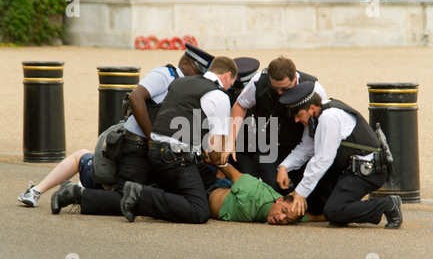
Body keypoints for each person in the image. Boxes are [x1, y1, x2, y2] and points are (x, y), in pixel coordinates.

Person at [22, 44, 215, 212]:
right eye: (199, 72)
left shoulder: (187, 87)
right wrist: (151, 137)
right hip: (137, 145)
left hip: (158, 151)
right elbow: (135, 97)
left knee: (152, 193)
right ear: (185, 64)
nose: (200, 78)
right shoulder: (166, 75)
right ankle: (74, 193)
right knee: (127, 198)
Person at [120, 56, 238, 224]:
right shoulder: (220, 97)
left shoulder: (180, 82)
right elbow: (215, 151)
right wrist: (227, 165)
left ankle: (152, 192)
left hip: (154, 151)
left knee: (210, 182)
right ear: (227, 76)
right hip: (177, 158)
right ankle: (142, 195)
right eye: (231, 83)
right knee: (199, 212)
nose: (229, 88)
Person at [276, 81, 403, 229]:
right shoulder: (318, 115)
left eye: (299, 115)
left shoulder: (328, 118)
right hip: (349, 169)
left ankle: (387, 205)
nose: (296, 120)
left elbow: (323, 159)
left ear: (311, 108)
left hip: (367, 172)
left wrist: (300, 193)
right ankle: (343, 207)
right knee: (307, 182)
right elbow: (306, 149)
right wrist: (284, 167)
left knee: (334, 211)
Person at [228, 56, 327, 194]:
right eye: (275, 89)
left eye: (285, 89)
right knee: (275, 190)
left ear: (294, 78)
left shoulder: (314, 88)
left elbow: (308, 142)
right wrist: (230, 140)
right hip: (269, 145)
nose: (280, 93)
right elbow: (240, 105)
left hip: (299, 145)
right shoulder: (259, 81)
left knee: (309, 193)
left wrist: (285, 166)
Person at [204, 151, 325, 225]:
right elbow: (228, 170)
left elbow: (312, 217)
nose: (281, 218)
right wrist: (216, 157)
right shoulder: (254, 193)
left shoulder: (292, 213)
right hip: (213, 189)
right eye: (283, 212)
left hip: (237, 193)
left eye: (288, 220)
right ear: (279, 200)